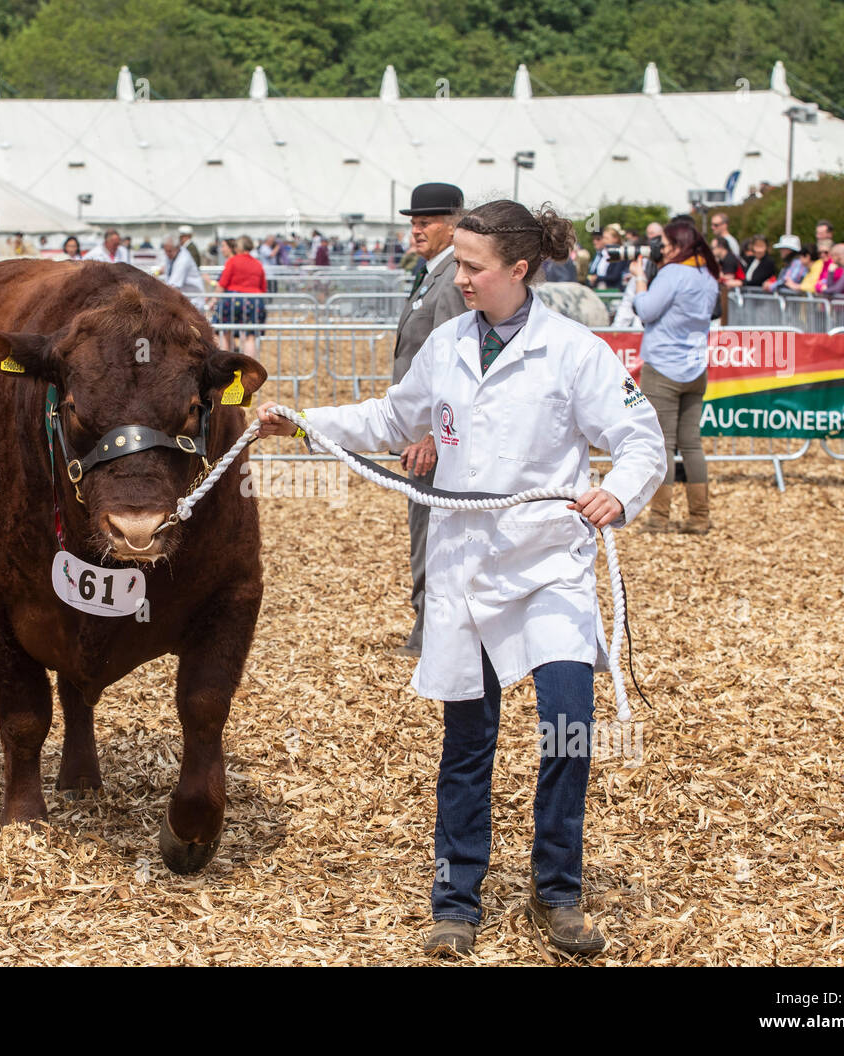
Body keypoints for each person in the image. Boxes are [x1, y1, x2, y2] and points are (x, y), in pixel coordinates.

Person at [256, 200, 665, 959]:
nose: (460, 275)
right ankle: (456, 900)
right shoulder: (447, 343)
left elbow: (640, 437)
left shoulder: (575, 351)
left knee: (568, 730)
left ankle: (559, 890)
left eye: (473, 265)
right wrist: (308, 422)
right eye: (458, 263)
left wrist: (621, 489)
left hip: (548, 568)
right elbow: (391, 418)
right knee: (467, 744)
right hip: (466, 571)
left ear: (518, 269)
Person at [392, 182, 468, 657]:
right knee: (424, 521)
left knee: (431, 525)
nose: (417, 229)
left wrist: (430, 433)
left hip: (435, 434)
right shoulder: (431, 275)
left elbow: (454, 363)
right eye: (415, 221)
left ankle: (431, 631)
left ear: (454, 224)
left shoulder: (452, 280)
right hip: (422, 426)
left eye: (428, 221)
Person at [629, 217, 721, 533]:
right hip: (696, 366)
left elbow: (646, 310)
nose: (663, 251)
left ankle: (658, 519)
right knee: (691, 444)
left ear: (679, 245)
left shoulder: (672, 274)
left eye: (666, 245)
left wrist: (640, 280)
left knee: (663, 444)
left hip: (664, 366)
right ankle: (700, 517)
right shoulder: (708, 275)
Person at [214, 235, 266, 357]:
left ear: (238, 247)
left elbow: (222, 284)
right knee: (250, 337)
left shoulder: (232, 261)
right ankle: (250, 372)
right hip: (254, 301)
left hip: (232, 300)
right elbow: (263, 288)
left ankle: (225, 368)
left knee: (224, 333)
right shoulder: (258, 264)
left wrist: (213, 300)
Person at [161, 235, 205, 310]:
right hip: (184, 300)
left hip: (193, 301)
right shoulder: (173, 256)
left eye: (169, 251)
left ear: (177, 247)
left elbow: (173, 286)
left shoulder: (183, 259)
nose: (167, 254)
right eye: (165, 251)